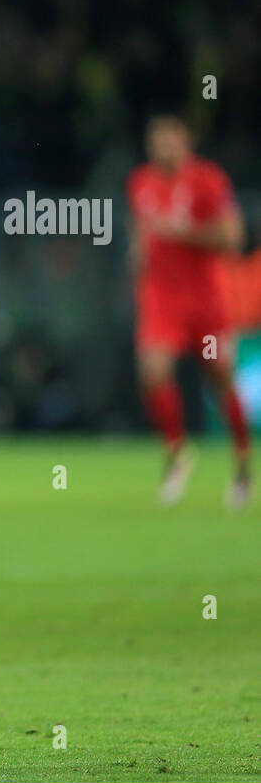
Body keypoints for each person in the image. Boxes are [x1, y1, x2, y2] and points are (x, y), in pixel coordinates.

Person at [127, 115, 250, 509]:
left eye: (170, 140)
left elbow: (233, 238)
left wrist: (182, 231)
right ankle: (177, 452)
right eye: (156, 141)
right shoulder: (140, 183)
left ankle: (242, 463)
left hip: (206, 303)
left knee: (219, 379)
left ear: (186, 143)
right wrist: (137, 260)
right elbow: (140, 235)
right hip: (162, 300)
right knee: (153, 371)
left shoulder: (209, 181)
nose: (162, 147)